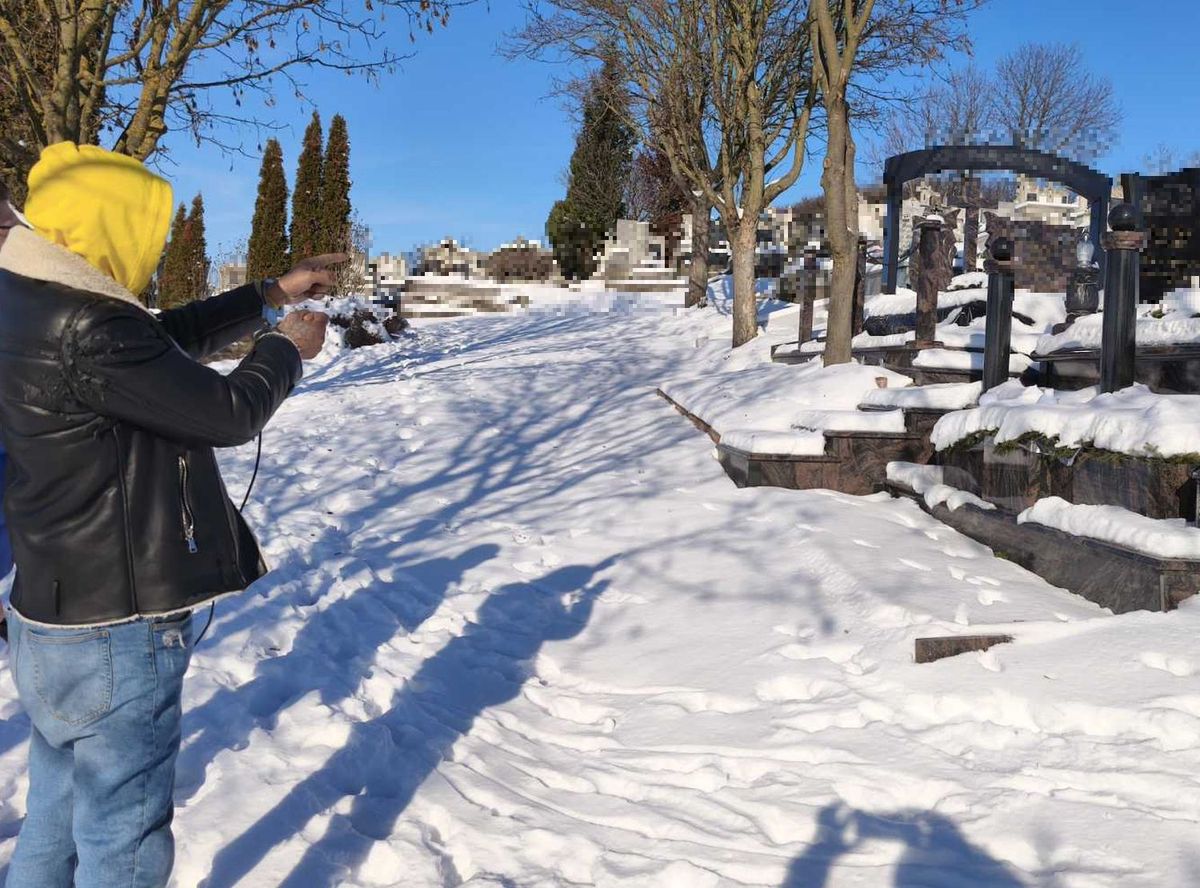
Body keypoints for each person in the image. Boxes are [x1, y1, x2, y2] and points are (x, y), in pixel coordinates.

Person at [0, 142, 336, 888]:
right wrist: (284, 349)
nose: (151, 256)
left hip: (47, 614)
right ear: (110, 229)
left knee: (55, 811)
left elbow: (156, 343)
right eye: (145, 236)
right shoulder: (87, 325)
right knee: (122, 832)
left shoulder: (29, 297)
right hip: (115, 627)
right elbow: (226, 412)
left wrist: (267, 294)